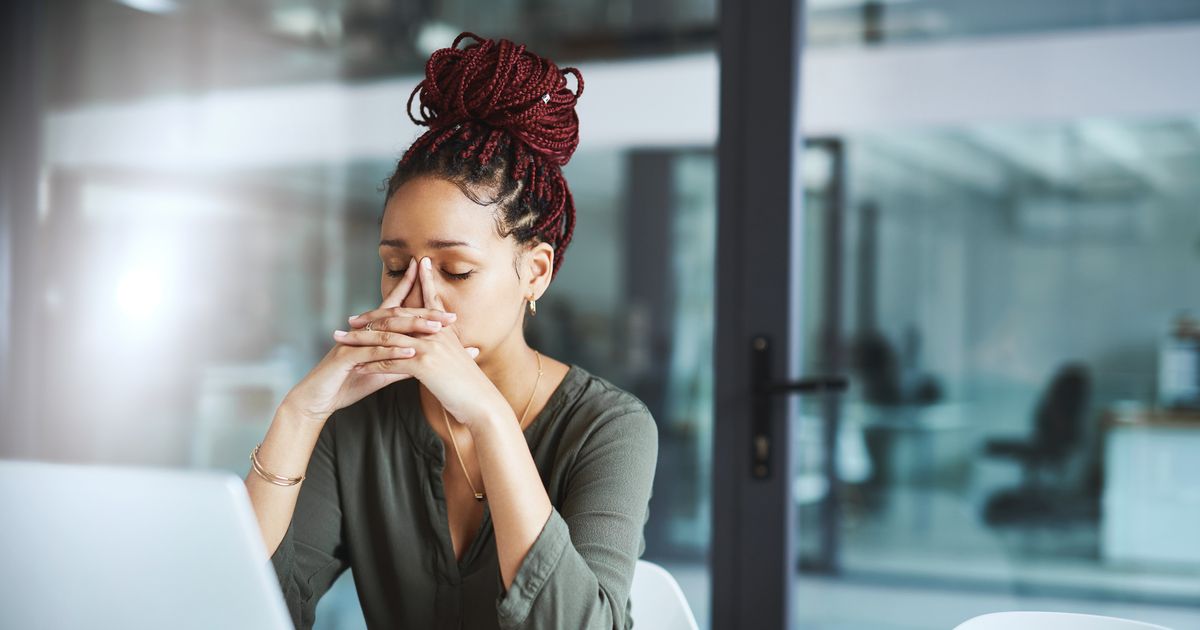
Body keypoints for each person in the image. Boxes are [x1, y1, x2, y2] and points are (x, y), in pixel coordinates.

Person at [243, 31, 659, 630]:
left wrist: (487, 416)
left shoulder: (610, 429)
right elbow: (250, 605)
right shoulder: (358, 420)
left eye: (456, 270)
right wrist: (299, 414)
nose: (416, 295)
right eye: (393, 267)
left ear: (534, 272)